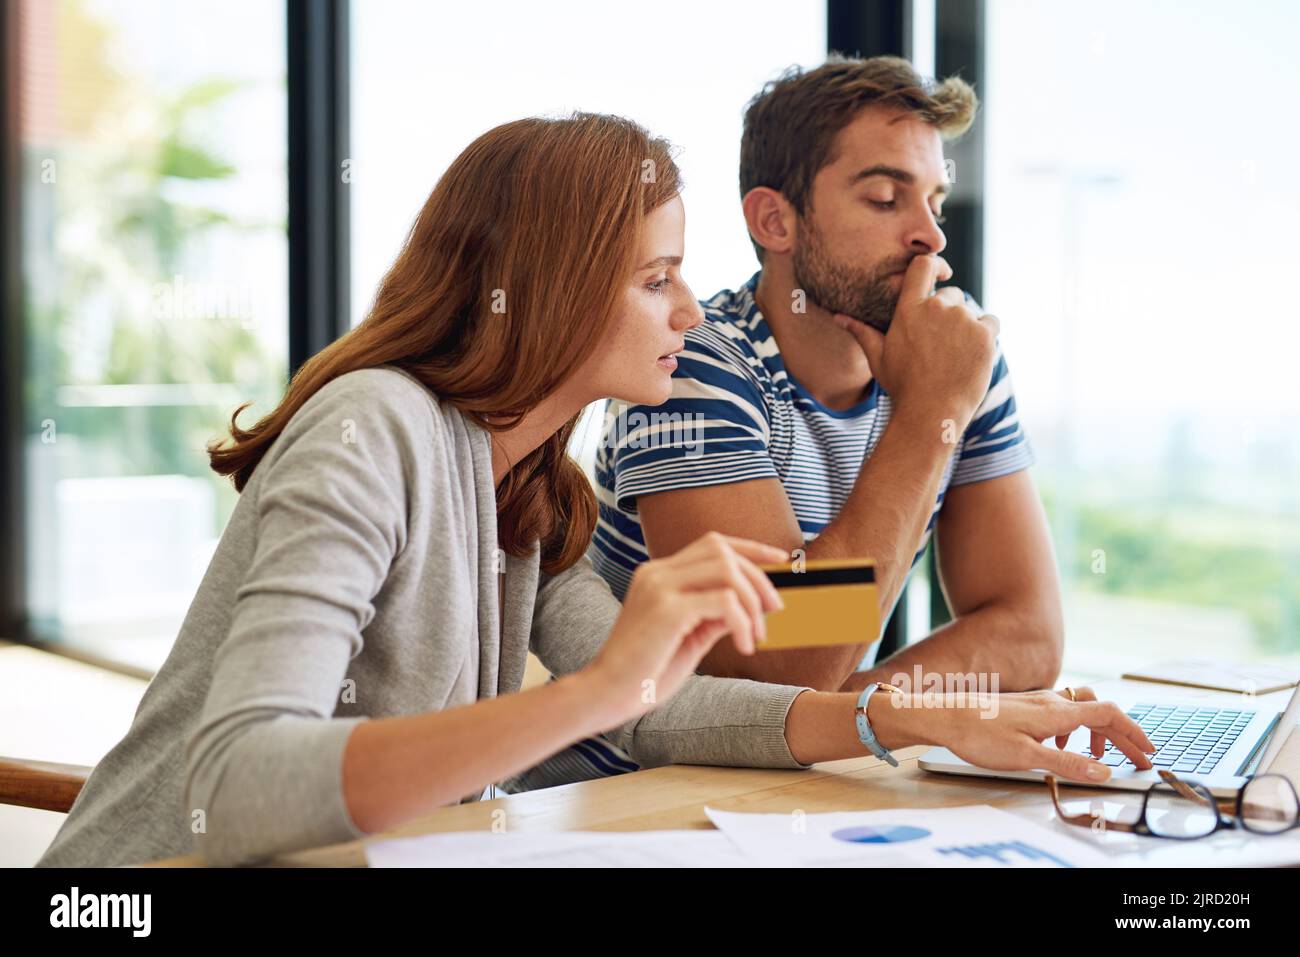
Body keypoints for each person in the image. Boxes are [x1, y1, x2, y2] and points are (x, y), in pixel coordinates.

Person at [37, 112, 1152, 868]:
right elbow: (228, 786)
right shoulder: (379, 429)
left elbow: (665, 703)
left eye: (935, 196)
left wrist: (908, 715)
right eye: (656, 280)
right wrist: (930, 422)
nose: (690, 312)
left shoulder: (532, 487)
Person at [530, 56, 1071, 789]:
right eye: (885, 198)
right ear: (775, 220)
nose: (930, 237)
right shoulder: (691, 364)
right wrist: (930, 414)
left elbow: (1029, 632)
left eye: (935, 202)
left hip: (800, 776)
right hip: (638, 797)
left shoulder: (957, 359)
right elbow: (787, 660)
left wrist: (870, 712)